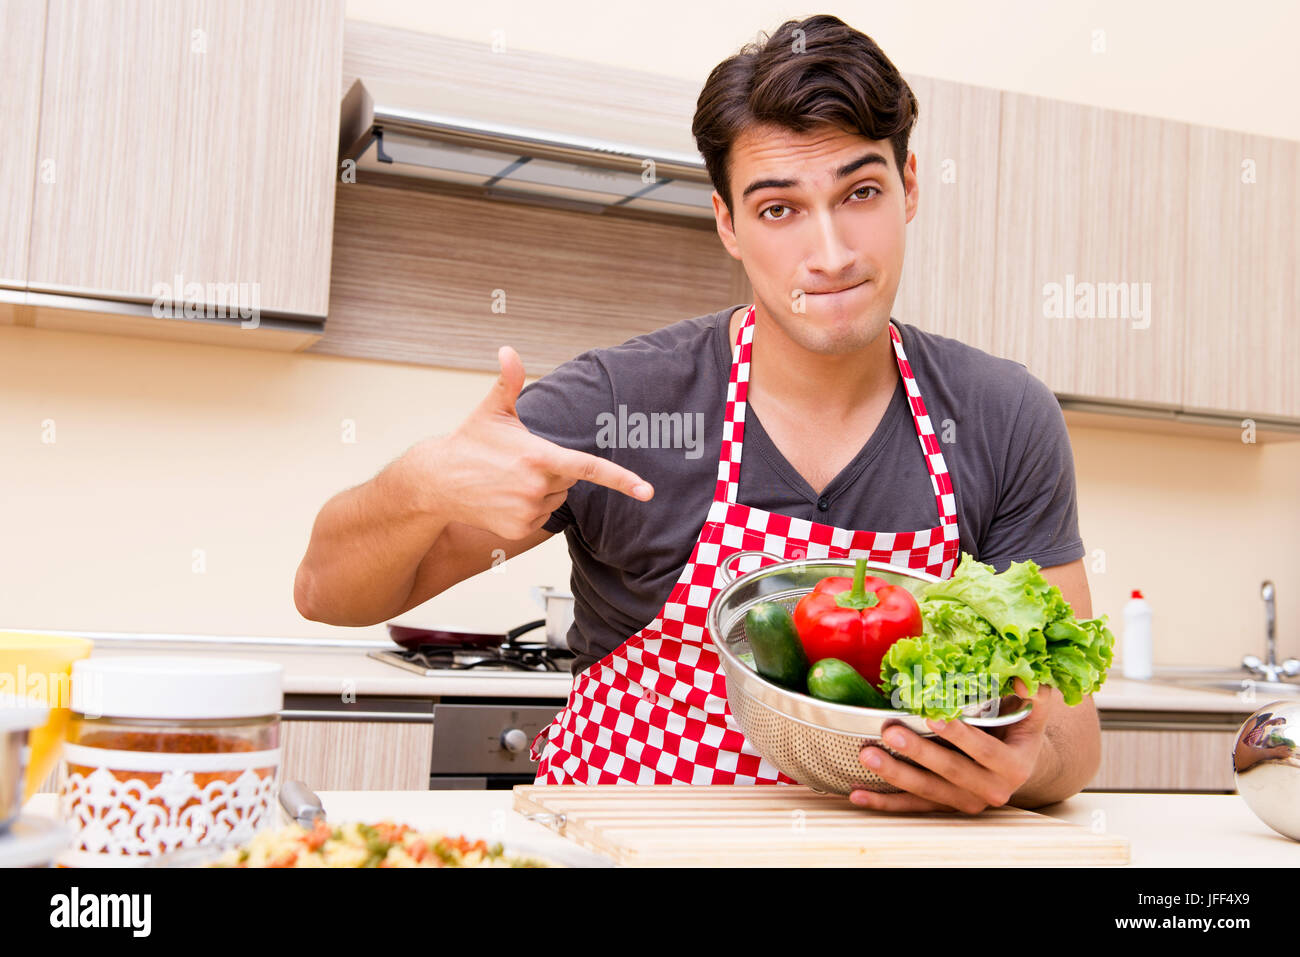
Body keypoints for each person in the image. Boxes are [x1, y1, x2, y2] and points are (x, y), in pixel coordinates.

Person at [294, 14, 1101, 813]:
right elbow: (325, 590)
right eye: (779, 209)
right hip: (622, 843)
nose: (830, 253)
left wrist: (1015, 771)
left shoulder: (1002, 416)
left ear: (910, 187)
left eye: (859, 192)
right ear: (729, 224)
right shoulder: (623, 402)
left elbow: (1071, 741)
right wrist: (423, 481)